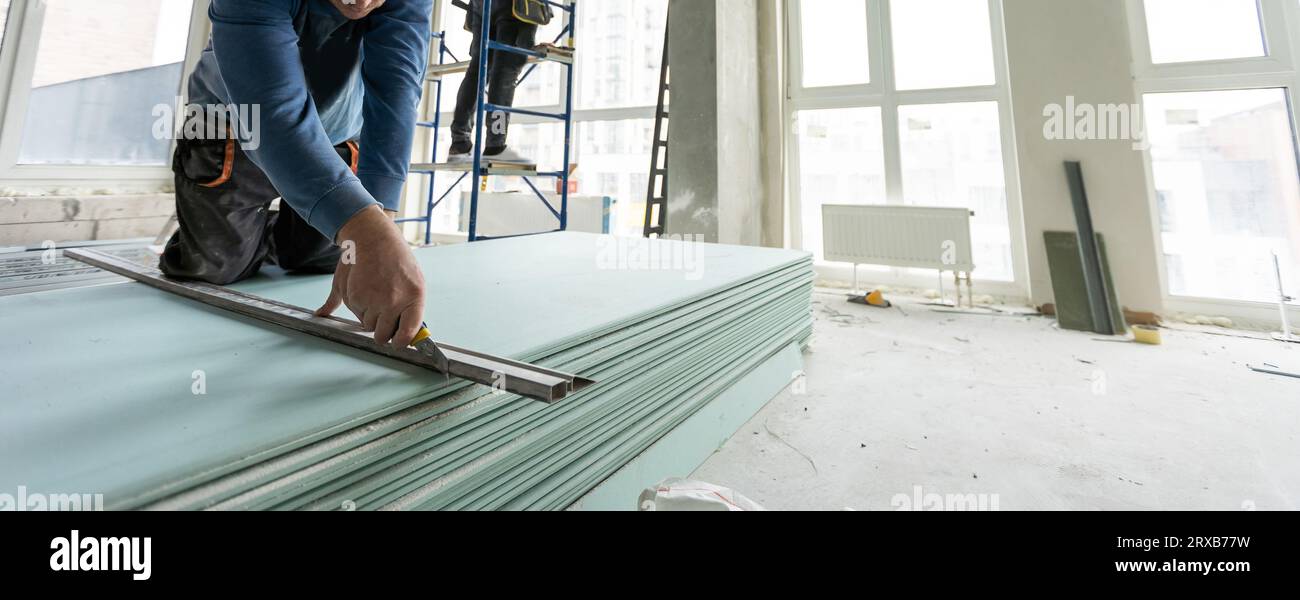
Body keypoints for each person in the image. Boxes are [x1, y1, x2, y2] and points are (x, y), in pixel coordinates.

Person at [161, 0, 432, 348]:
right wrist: (368, 233)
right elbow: (272, 113)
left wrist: (381, 222)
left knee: (322, 258)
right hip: (230, 127)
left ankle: (268, 231)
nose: (362, 2)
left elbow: (396, 89)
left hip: (332, 137)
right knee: (215, 269)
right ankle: (237, 237)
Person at [447, 0, 551, 165]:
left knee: (477, 71)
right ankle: (495, 146)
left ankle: (459, 142)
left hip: (481, 6)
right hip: (511, 6)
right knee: (505, 73)